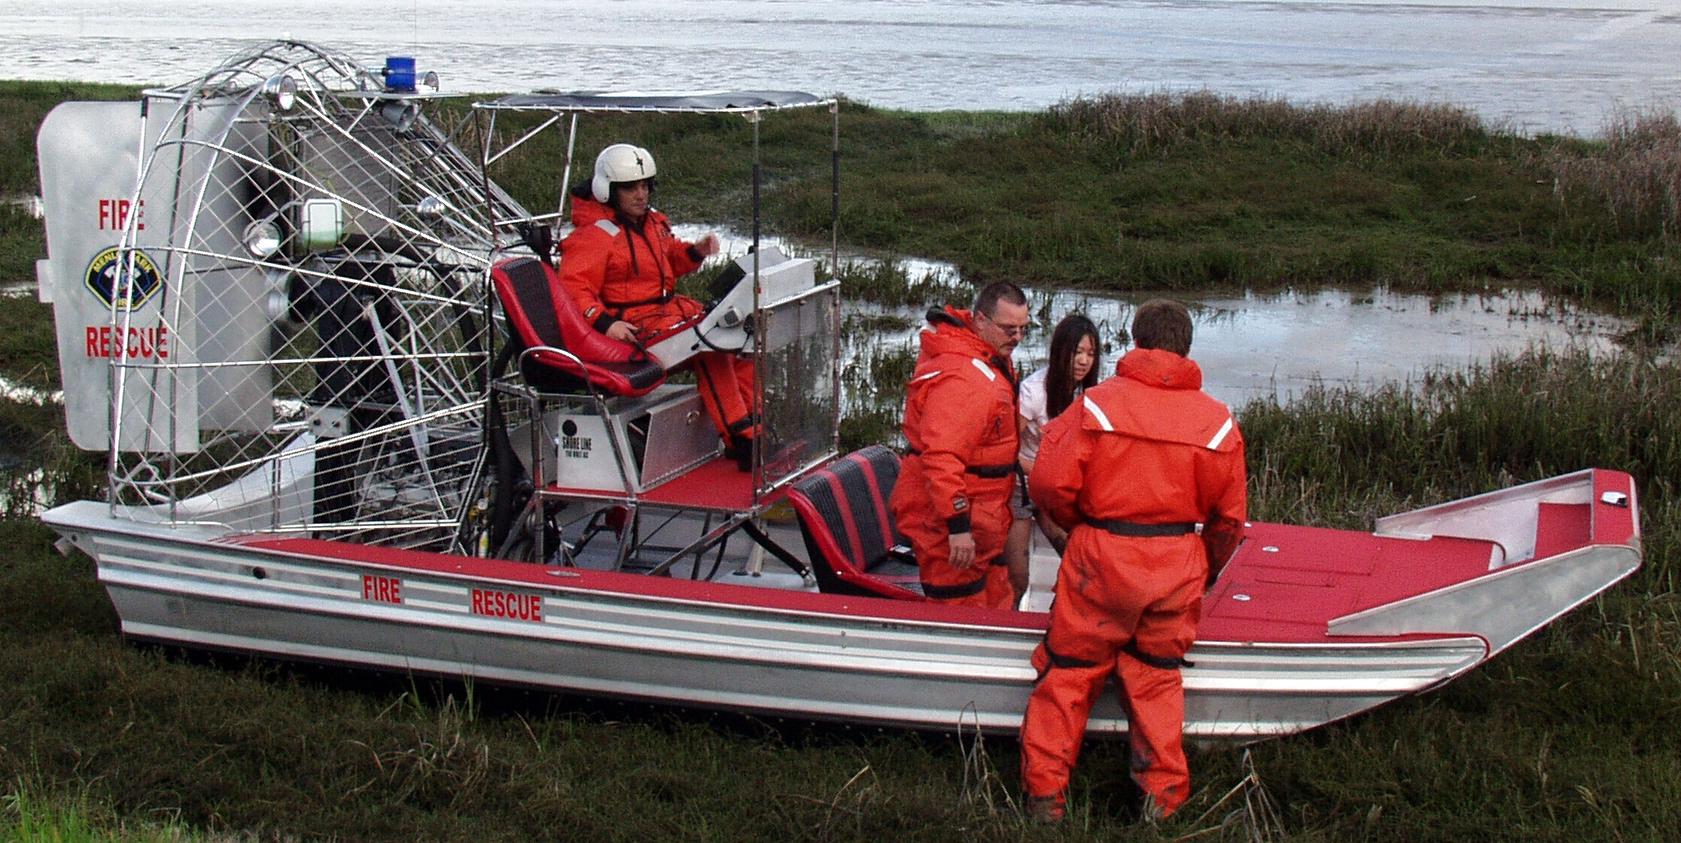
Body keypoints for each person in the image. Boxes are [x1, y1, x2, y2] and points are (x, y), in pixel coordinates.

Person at [1018, 299, 1247, 823]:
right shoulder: (1217, 422)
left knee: (1069, 677)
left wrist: (1083, 529)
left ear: (1135, 340)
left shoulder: (1095, 405)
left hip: (1100, 560)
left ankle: (1045, 801)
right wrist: (1202, 567)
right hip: (1175, 567)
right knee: (1157, 681)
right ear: (1187, 347)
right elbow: (1229, 521)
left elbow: (1049, 483)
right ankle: (1160, 806)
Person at [557, 142, 758, 466]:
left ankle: (754, 424)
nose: (641, 194)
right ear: (608, 191)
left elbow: (667, 262)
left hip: (665, 315)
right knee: (712, 348)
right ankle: (741, 439)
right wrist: (607, 324)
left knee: (743, 340)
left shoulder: (650, 224)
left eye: (644, 186)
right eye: (631, 188)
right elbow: (573, 290)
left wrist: (695, 252)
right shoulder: (593, 237)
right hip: (636, 327)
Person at [889, 282, 1029, 610]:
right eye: (1009, 329)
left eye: (1024, 328)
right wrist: (958, 526)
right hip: (948, 530)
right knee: (959, 618)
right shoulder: (964, 379)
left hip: (984, 521)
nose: (1018, 337)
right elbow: (941, 458)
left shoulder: (985, 359)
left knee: (996, 603)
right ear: (980, 321)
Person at [1003, 313, 1102, 603]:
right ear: (1061, 352)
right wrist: (1038, 470)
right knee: (1018, 577)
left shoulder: (1089, 395)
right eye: (1077, 352)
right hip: (1019, 490)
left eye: (1091, 354)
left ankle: (1069, 619)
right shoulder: (1034, 393)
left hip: (1054, 491)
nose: (1084, 361)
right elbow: (1004, 449)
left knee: (1077, 556)